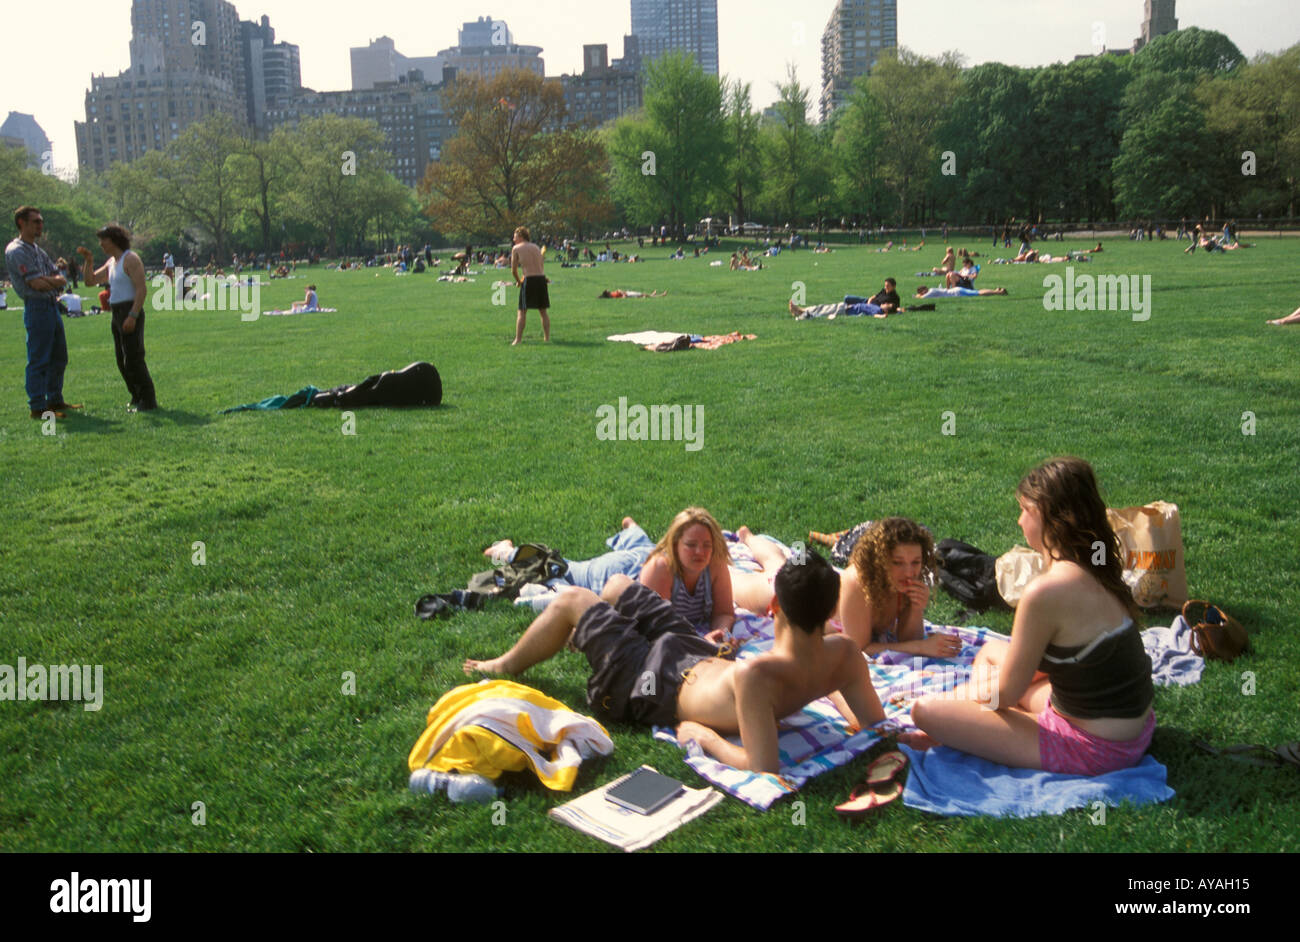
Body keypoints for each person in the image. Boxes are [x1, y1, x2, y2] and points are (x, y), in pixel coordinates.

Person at [464, 551, 886, 773]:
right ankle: (591, 631)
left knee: (573, 598)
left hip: (650, 681)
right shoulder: (845, 653)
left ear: (774, 606)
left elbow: (762, 766)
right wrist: (847, 711)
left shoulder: (759, 675)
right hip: (699, 652)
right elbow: (874, 723)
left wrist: (702, 736)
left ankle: (501, 665)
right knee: (618, 584)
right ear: (831, 611)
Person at [906, 458, 1155, 775]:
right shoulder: (1096, 567)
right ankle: (972, 719)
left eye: (1025, 510)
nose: (1020, 520)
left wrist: (958, 701)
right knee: (990, 652)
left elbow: (1006, 695)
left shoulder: (1046, 592)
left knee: (925, 711)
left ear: (1052, 517)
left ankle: (965, 723)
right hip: (1129, 725)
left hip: (1095, 747)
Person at [831, 518, 961, 658]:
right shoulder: (857, 583)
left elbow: (907, 639)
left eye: (915, 562)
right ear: (880, 560)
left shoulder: (904, 579)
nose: (909, 572)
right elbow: (860, 649)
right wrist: (921, 646)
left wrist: (916, 609)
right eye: (898, 563)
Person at [6, 206, 79, 419]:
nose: (40, 225)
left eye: (41, 221)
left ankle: (55, 399)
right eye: (36, 221)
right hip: (37, 308)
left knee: (59, 357)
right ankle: (38, 406)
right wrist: (50, 281)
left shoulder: (37, 250)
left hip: (51, 306)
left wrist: (49, 280)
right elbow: (36, 284)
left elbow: (61, 278)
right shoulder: (16, 250)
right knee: (39, 358)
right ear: (22, 223)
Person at [77, 224, 157, 412]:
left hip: (129, 311)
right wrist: (88, 261)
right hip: (116, 312)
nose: (101, 244)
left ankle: (148, 400)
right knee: (121, 359)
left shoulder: (130, 259)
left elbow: (141, 290)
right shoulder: (112, 262)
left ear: (113, 240)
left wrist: (133, 316)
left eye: (103, 240)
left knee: (134, 359)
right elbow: (90, 281)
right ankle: (136, 396)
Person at [638, 507, 735, 640]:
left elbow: (724, 613)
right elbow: (656, 628)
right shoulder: (660, 569)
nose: (700, 552)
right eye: (691, 545)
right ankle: (631, 527)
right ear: (675, 544)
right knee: (637, 549)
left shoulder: (715, 564)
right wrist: (699, 642)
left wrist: (720, 634)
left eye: (707, 545)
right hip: (633, 571)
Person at [790, 278, 903, 320]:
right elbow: (874, 297)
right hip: (847, 306)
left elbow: (876, 315)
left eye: (887, 305)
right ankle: (802, 310)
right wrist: (869, 301)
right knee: (823, 307)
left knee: (825, 311)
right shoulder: (877, 304)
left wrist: (883, 316)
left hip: (846, 310)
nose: (885, 303)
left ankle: (802, 312)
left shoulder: (878, 310)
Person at [510, 226, 549, 345]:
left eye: (515, 236)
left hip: (529, 280)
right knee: (543, 311)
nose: (513, 239)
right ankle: (547, 338)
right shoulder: (536, 247)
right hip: (541, 279)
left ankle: (518, 339)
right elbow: (540, 266)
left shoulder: (516, 248)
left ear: (521, 236)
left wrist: (519, 281)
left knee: (522, 311)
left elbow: (513, 270)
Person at [914, 284, 1007, 298]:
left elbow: (924, 298)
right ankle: (996, 290)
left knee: (977, 293)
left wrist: (917, 296)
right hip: (956, 290)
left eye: (921, 292)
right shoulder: (932, 289)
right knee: (977, 292)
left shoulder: (931, 291)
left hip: (957, 292)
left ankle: (999, 292)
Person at [598, 289, 666, 298]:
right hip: (628, 295)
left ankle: (652, 295)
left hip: (627, 292)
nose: (609, 290)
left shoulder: (612, 294)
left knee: (642, 294)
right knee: (642, 295)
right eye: (607, 291)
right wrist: (623, 295)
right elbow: (622, 297)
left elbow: (618, 290)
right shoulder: (613, 296)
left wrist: (622, 292)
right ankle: (661, 295)